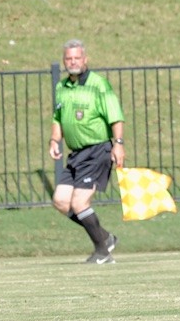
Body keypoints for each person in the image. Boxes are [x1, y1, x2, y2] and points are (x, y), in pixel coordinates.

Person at [50, 39, 124, 264]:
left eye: (77, 58)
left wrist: (119, 143)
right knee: (61, 201)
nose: (72, 62)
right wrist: (55, 139)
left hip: (97, 150)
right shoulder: (62, 87)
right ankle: (105, 237)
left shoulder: (98, 84)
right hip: (76, 155)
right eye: (68, 58)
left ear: (85, 60)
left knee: (80, 203)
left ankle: (103, 252)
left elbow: (116, 115)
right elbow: (58, 117)